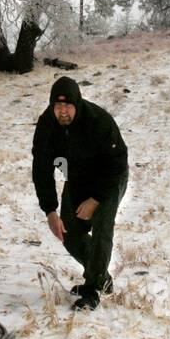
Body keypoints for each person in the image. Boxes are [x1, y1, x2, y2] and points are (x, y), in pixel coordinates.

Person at [31, 75, 128, 311]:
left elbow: (117, 163)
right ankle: (100, 276)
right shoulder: (46, 126)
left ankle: (93, 288)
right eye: (58, 106)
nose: (63, 111)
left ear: (77, 104)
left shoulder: (98, 121)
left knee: (102, 228)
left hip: (109, 178)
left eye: (68, 106)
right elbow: (41, 169)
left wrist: (95, 200)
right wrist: (50, 210)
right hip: (77, 178)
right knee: (69, 234)